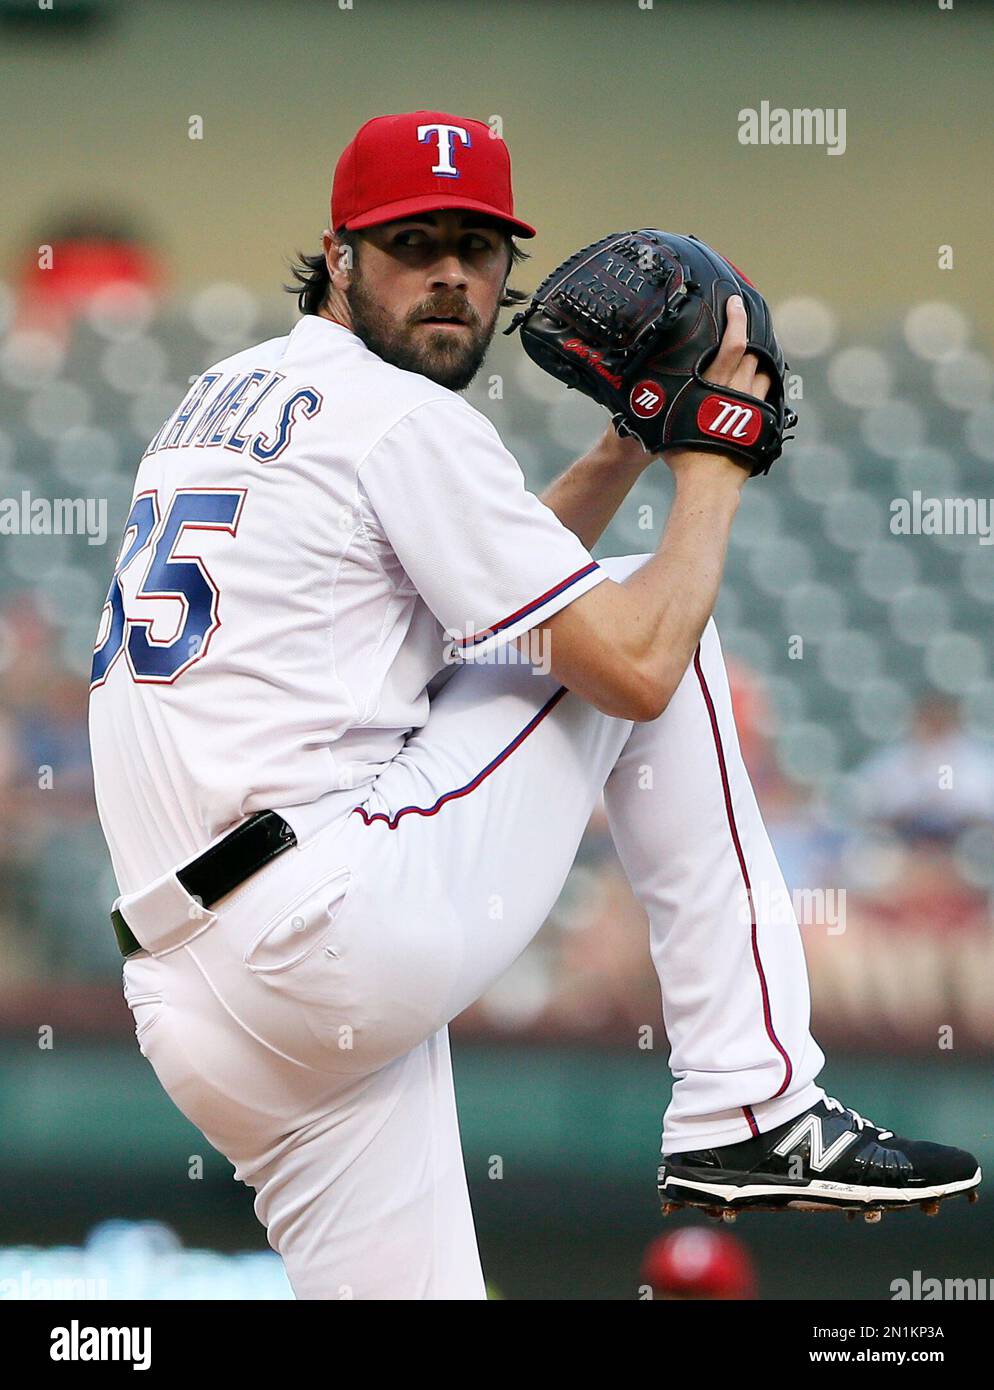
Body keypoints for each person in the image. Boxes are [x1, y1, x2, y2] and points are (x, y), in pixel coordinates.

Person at [88, 110, 980, 1300]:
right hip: (320, 929)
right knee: (640, 608)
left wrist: (624, 446)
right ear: (339, 253)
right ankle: (749, 1097)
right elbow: (633, 668)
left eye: (478, 243)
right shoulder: (403, 417)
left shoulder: (225, 391)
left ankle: (744, 1098)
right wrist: (707, 460)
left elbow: (503, 611)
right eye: (413, 241)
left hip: (198, 1001)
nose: (451, 272)